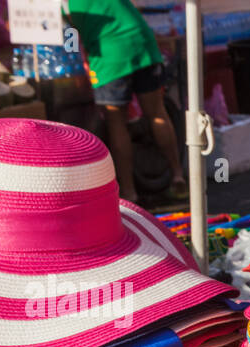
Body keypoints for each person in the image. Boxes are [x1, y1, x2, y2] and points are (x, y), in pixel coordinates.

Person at [65, 0, 185, 204]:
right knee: (157, 112)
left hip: (109, 55)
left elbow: (68, 35)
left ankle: (129, 193)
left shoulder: (62, 4)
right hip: (141, 43)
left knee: (116, 123)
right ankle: (178, 176)